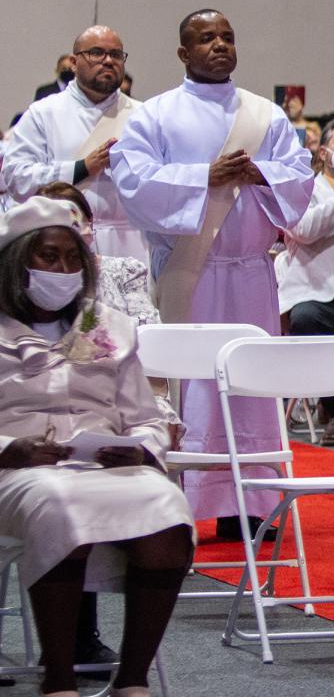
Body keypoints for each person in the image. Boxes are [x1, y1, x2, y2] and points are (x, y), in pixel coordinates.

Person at [110, 9, 314, 540]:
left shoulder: (265, 115)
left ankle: (252, 504)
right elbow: (133, 180)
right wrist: (205, 176)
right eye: (206, 39)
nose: (219, 45)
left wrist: (261, 173)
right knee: (190, 387)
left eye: (227, 37)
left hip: (249, 275)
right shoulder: (154, 116)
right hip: (189, 273)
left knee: (250, 387)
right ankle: (184, 501)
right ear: (183, 53)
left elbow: (299, 179)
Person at [0, 196, 194, 697]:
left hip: (103, 463)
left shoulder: (104, 324)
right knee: (58, 502)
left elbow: (146, 413)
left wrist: (141, 449)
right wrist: (9, 448)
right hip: (19, 469)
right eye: (49, 257)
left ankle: (132, 680)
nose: (63, 270)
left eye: (72, 258)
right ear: (16, 262)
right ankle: (60, 680)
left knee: (166, 504)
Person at [5, 26, 150, 265]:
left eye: (116, 55)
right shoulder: (44, 112)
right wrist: (81, 168)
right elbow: (16, 178)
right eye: (96, 53)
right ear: (74, 62)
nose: (108, 61)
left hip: (131, 243)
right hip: (64, 244)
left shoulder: (143, 115)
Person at [275, 118, 334, 442]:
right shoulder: (305, 188)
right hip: (318, 288)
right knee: (310, 318)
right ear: (323, 153)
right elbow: (304, 230)